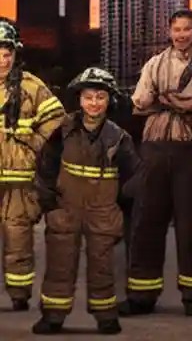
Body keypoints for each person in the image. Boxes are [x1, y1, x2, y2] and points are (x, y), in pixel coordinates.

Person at [122, 9, 192, 317]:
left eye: (187, 29)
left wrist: (179, 102)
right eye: (176, 29)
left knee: (191, 223)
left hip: (191, 149)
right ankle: (141, 295)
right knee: (146, 222)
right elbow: (140, 104)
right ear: (169, 32)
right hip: (155, 147)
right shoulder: (154, 64)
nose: (181, 34)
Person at [31, 68, 141, 336]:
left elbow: (135, 176)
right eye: (89, 97)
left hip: (103, 210)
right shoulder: (63, 131)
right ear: (79, 99)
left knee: (102, 265)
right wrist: (50, 204)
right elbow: (45, 167)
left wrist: (119, 204)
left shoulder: (119, 138)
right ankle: (53, 316)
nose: (94, 103)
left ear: (109, 101)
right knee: (59, 262)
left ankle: (105, 316)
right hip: (66, 207)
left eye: (100, 97)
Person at [0, 18, 64, 311]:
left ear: (15, 53)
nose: (2, 58)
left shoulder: (30, 86)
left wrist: (34, 144)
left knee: (19, 235)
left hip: (20, 180)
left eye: (6, 52)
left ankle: (19, 293)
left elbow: (56, 116)